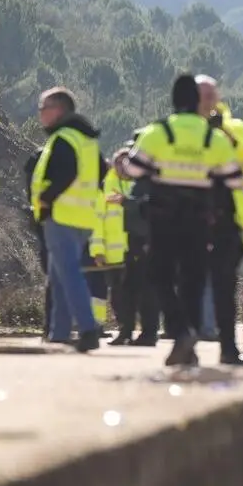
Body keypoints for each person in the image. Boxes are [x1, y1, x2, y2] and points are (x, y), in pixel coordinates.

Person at [120, 74, 243, 368]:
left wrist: (127, 160)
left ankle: (180, 332)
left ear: (174, 101)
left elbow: (133, 169)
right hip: (200, 220)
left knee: (159, 276)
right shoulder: (213, 138)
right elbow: (234, 178)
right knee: (193, 280)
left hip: (163, 218)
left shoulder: (158, 131)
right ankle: (188, 345)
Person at [30, 87, 104, 352]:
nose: (40, 114)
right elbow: (102, 174)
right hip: (84, 218)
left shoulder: (63, 138)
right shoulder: (87, 140)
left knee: (69, 274)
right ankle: (58, 333)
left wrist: (46, 199)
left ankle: (87, 329)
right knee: (59, 277)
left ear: (59, 110)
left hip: (61, 216)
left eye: (43, 107)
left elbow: (65, 173)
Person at [192, 76, 243, 344]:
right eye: (200, 95)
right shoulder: (184, 127)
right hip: (192, 211)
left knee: (222, 278)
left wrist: (227, 137)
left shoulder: (236, 128)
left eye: (210, 95)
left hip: (231, 215)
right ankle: (195, 328)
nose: (206, 100)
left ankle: (219, 336)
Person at [106, 143, 162, 345]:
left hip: (143, 242)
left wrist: (125, 202)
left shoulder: (149, 183)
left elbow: (146, 208)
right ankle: (128, 331)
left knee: (144, 290)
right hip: (133, 243)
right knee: (129, 289)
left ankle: (146, 333)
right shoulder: (140, 182)